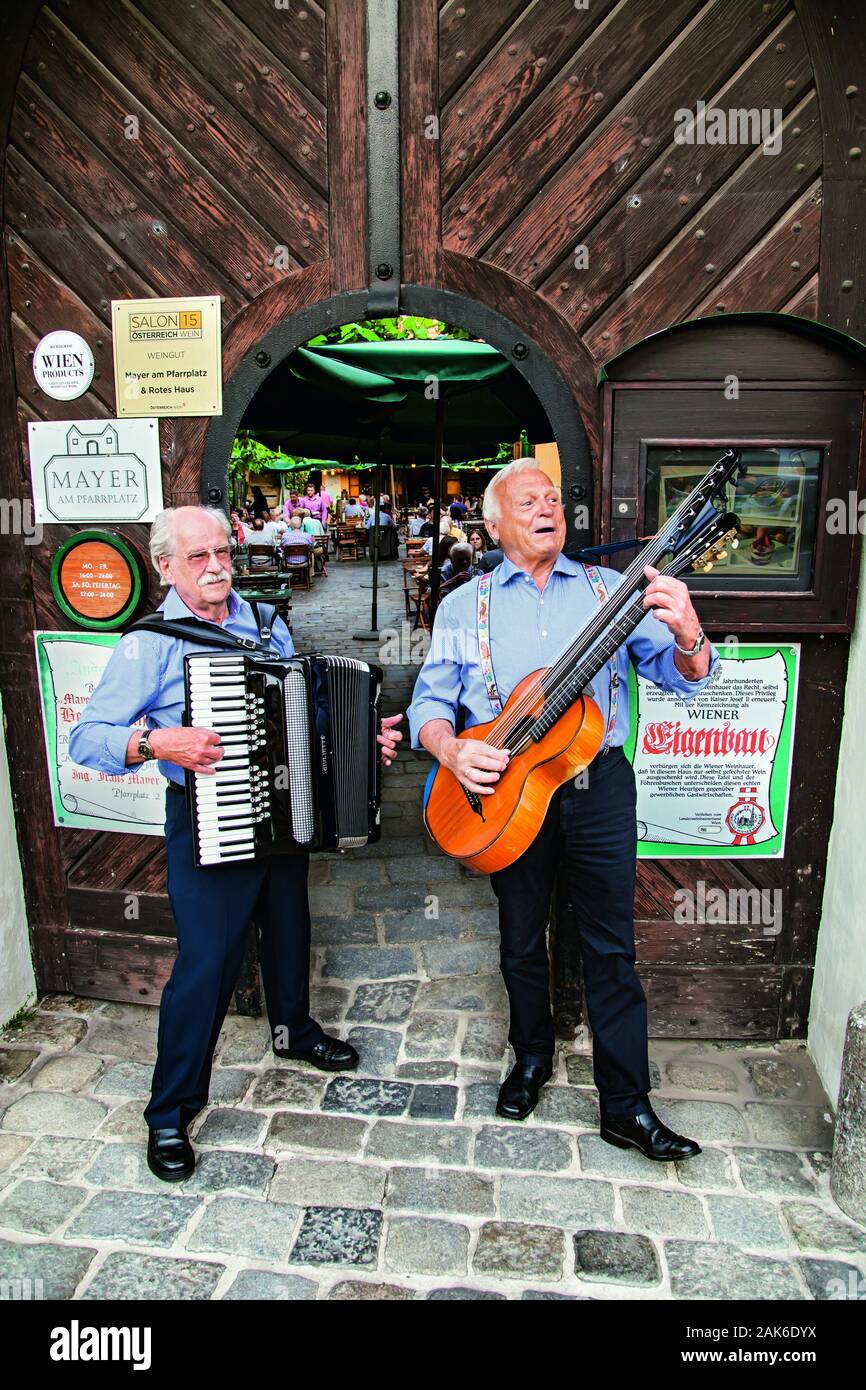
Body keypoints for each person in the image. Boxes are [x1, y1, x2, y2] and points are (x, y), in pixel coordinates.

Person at [68, 506, 404, 1180]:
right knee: (208, 965)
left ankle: (295, 1032)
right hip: (205, 818)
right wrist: (156, 740)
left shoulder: (264, 622)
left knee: (288, 928)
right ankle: (169, 1113)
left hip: (278, 811)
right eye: (199, 557)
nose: (218, 565)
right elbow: (85, 738)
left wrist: (360, 740)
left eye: (223, 551)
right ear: (166, 566)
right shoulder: (151, 644)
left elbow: (301, 711)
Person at [407, 459, 715, 1161]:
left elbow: (682, 676)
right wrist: (451, 751)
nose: (548, 507)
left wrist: (690, 631)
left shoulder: (613, 590)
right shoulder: (466, 605)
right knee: (522, 938)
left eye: (554, 498)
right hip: (506, 794)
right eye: (528, 501)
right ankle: (531, 1059)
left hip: (597, 785)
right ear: (493, 524)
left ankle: (627, 1107)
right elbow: (428, 702)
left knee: (611, 947)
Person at [301, 509, 329, 575]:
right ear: (310, 514)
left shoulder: (301, 523)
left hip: (308, 548)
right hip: (319, 546)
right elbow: (322, 535)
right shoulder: (317, 522)